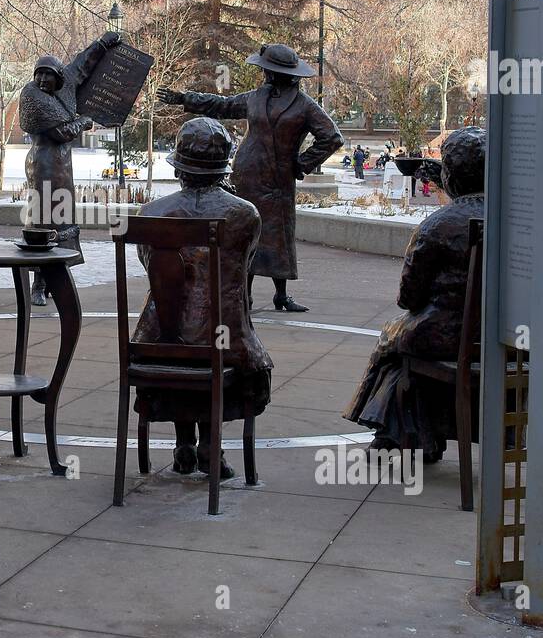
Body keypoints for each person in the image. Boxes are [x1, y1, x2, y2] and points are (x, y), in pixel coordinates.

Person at [132, 118, 273, 478]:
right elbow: (241, 273)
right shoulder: (245, 215)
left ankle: (184, 446)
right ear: (222, 168)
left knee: (179, 340)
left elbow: (151, 266)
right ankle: (210, 446)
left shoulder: (150, 214)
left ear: (179, 167)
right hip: (225, 338)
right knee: (216, 344)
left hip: (156, 341)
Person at [158, 43, 344, 312]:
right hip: (246, 175)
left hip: (278, 180)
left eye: (266, 70)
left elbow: (331, 137)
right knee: (245, 230)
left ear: (277, 73)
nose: (264, 75)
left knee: (279, 234)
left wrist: (301, 164)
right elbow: (222, 105)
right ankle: (243, 294)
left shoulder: (304, 106)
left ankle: (281, 295)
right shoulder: (257, 97)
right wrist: (184, 99)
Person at [344, 127, 486, 461]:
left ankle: (392, 434)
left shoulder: (438, 226)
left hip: (446, 334)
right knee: (406, 339)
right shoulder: (516, 219)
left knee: (395, 341)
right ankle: (421, 433)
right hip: (506, 338)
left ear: (450, 173)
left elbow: (409, 298)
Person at [19, 31, 122, 305]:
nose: (42, 80)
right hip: (42, 164)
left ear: (58, 77)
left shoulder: (66, 86)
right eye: (38, 74)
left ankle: (56, 277)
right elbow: (62, 133)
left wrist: (103, 42)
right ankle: (38, 284)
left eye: (47, 75)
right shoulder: (32, 97)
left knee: (62, 218)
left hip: (63, 166)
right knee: (43, 219)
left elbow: (83, 62)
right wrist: (85, 122)